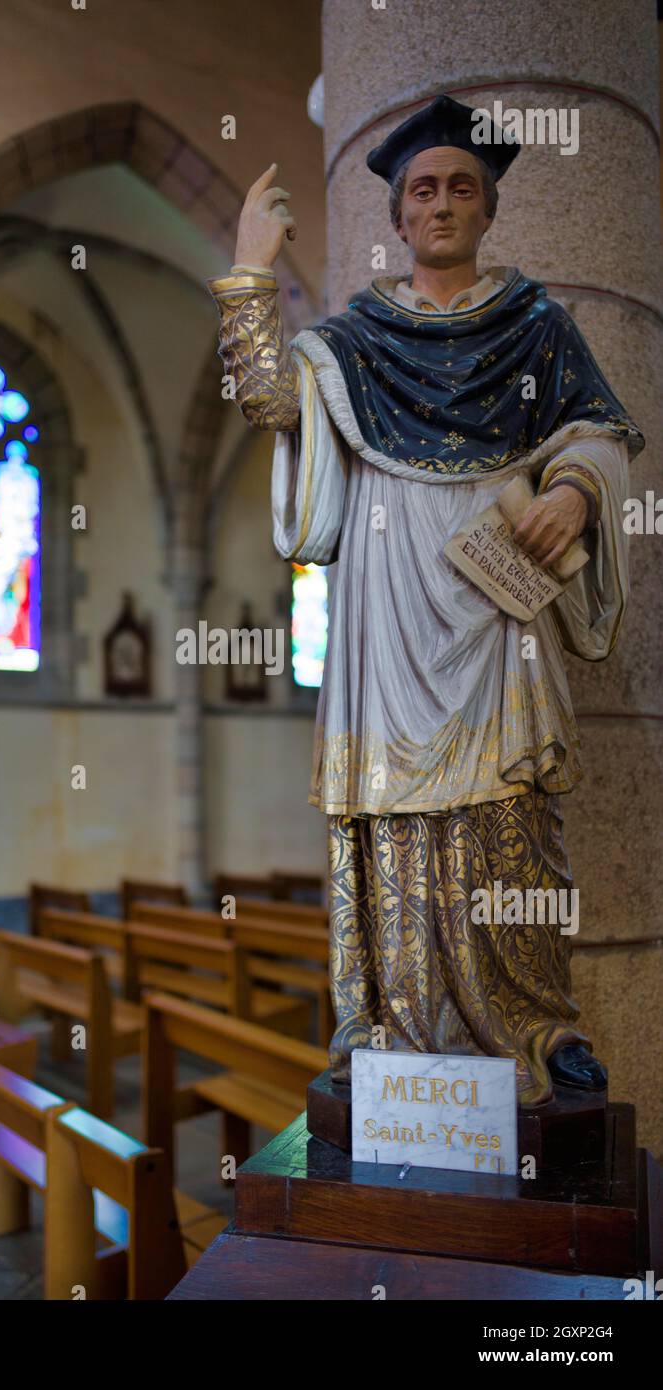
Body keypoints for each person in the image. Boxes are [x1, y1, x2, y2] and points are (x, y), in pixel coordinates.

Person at [206, 94, 644, 1106]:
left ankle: (537, 1024)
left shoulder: (536, 325)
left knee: (511, 811)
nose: (440, 205)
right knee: (394, 820)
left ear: (487, 208)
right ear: (398, 218)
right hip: (384, 605)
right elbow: (270, 402)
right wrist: (250, 272)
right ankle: (390, 1029)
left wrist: (575, 491)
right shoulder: (355, 336)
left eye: (460, 188)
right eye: (421, 190)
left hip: (495, 607)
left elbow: (597, 434)